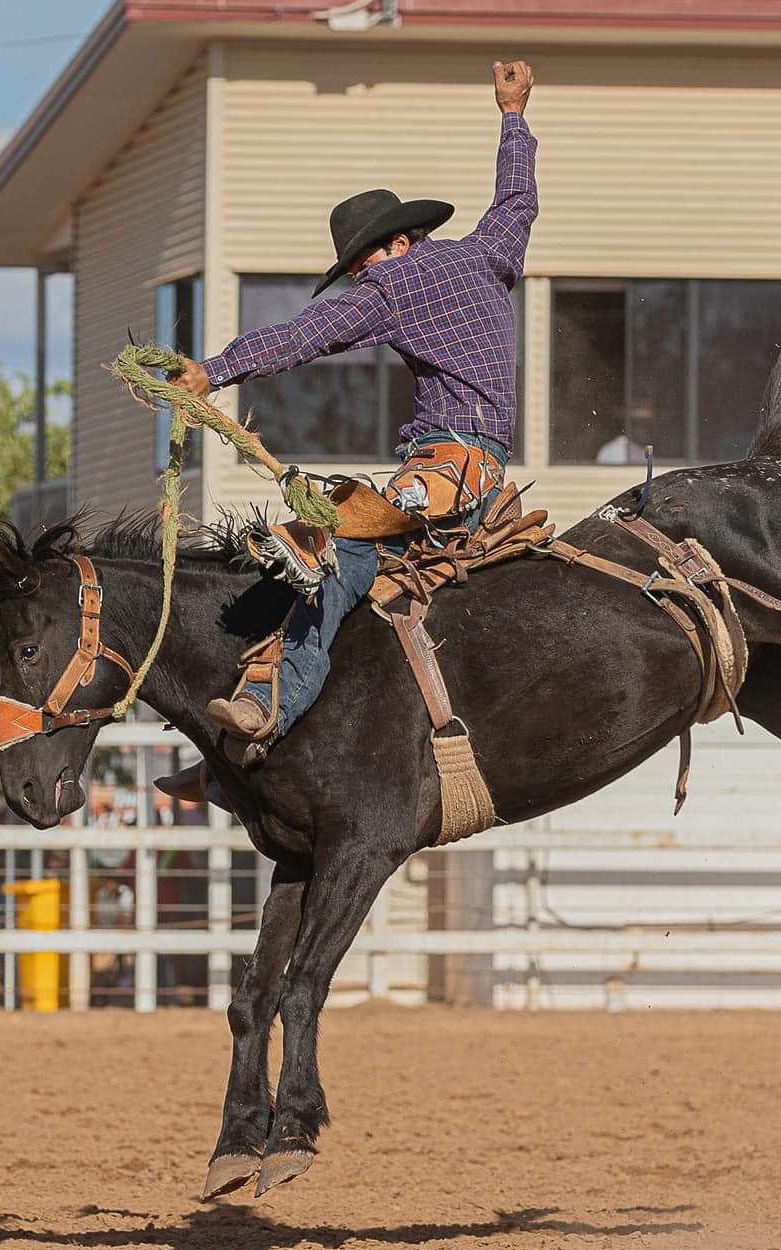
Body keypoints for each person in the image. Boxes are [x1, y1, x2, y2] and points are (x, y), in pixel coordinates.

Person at [174, 59, 538, 749]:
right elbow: (516, 203)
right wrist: (513, 115)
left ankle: (269, 707)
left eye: (361, 265)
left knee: (333, 548)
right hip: (485, 472)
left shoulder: (393, 287)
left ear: (399, 243)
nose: (361, 281)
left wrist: (213, 371)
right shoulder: (487, 254)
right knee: (344, 550)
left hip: (445, 467)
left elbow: (300, 336)